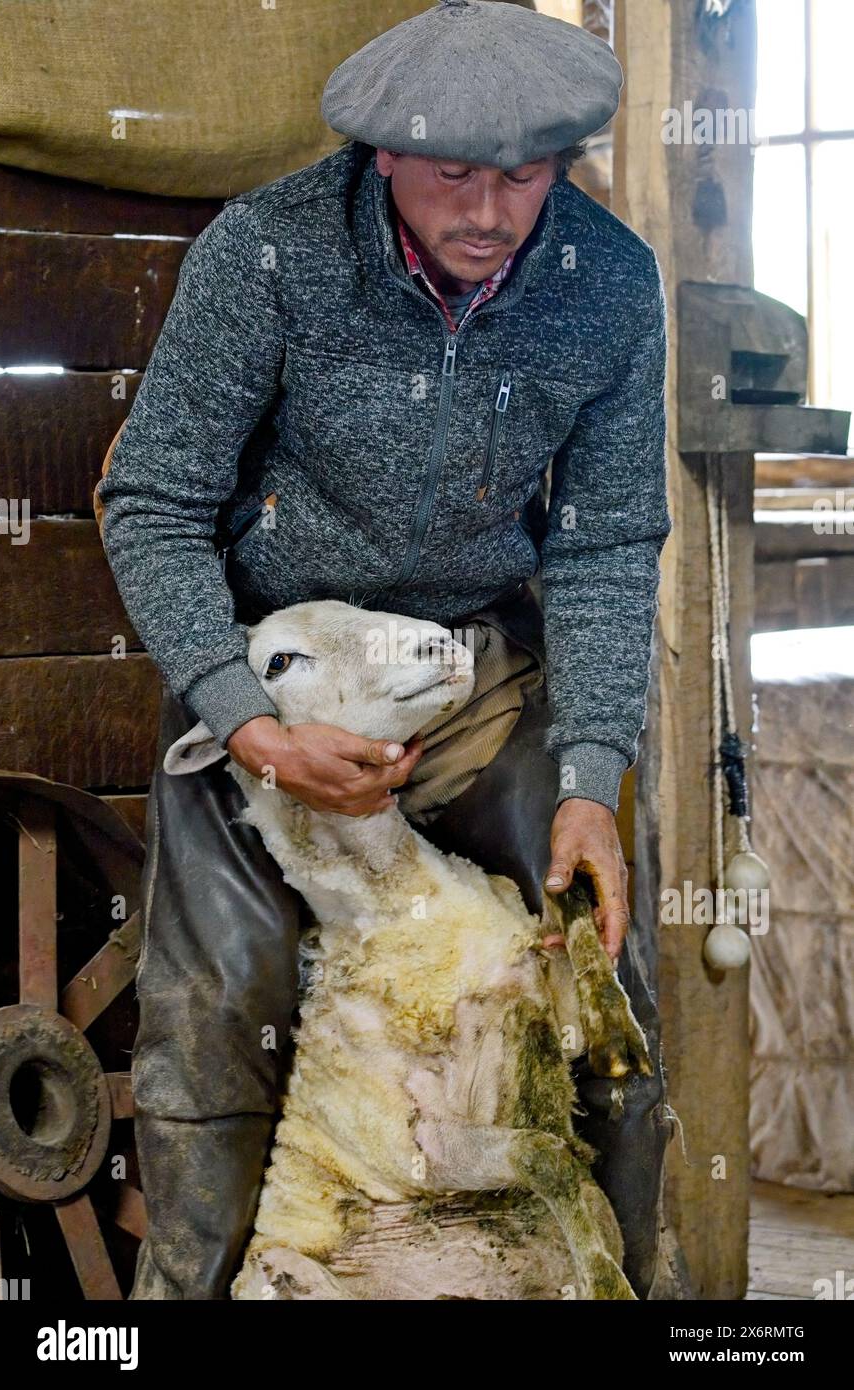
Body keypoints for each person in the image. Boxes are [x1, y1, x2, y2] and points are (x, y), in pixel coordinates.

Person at [97, 0, 674, 1300]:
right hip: (278, 670)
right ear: (379, 156)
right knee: (215, 1023)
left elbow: (603, 539)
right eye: (453, 174)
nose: (489, 210)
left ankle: (642, 1290)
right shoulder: (266, 255)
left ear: (565, 160)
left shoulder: (610, 283)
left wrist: (591, 777)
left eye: (523, 174)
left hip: (476, 674)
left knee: (602, 1007)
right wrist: (247, 718)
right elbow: (155, 499)